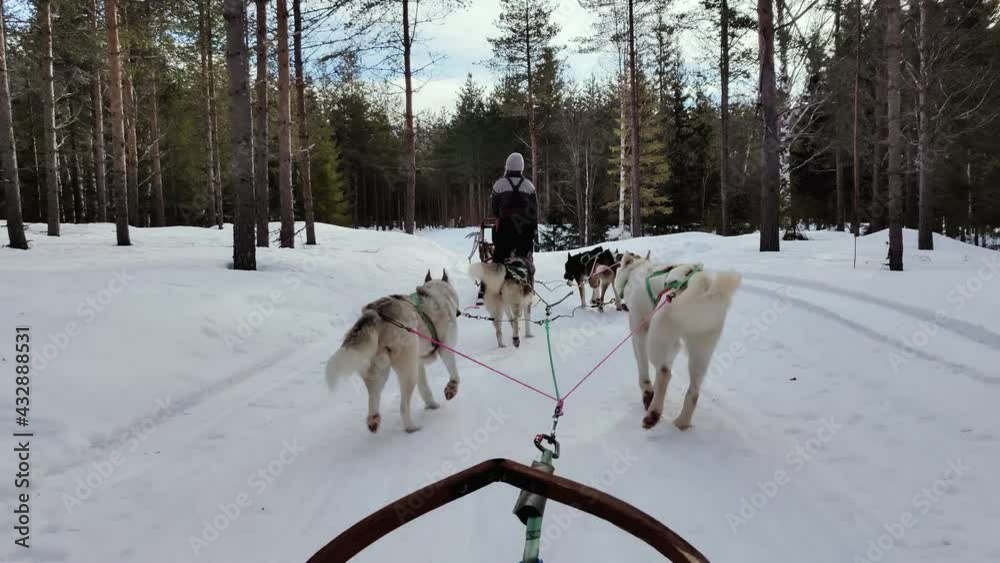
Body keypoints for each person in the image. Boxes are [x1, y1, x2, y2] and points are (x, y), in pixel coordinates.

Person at [477, 152, 538, 304]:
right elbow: (534, 210)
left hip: (505, 228)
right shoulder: (529, 186)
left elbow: (495, 208)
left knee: (498, 258)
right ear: (522, 167)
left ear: (508, 165)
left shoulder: (499, 184)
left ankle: (485, 290)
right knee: (525, 258)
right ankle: (527, 286)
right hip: (524, 228)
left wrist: (502, 215)